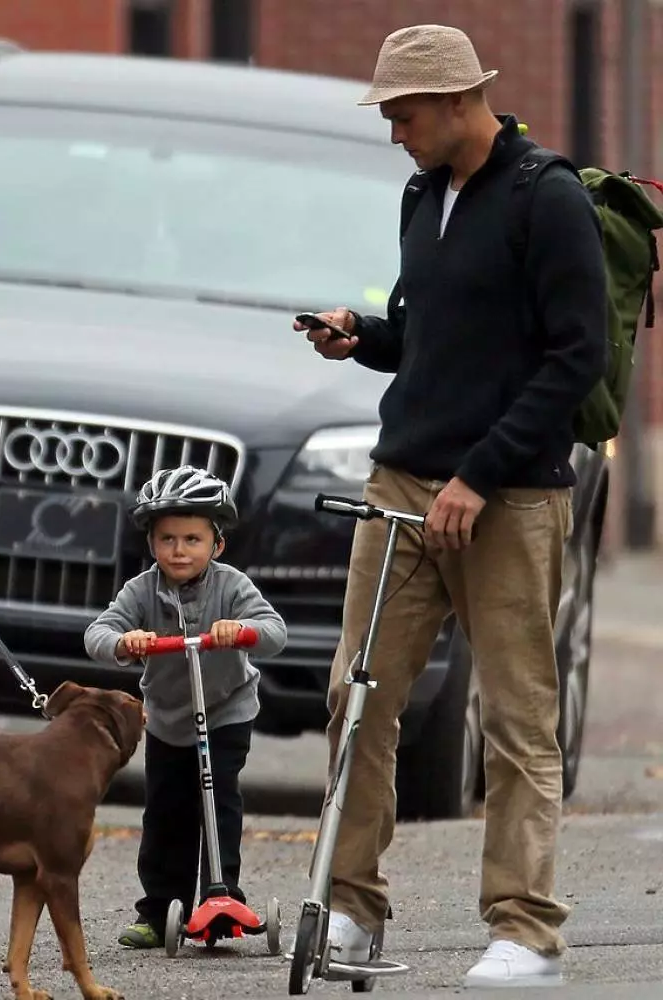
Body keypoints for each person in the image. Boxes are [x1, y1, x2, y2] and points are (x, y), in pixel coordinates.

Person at [294, 24, 606, 989]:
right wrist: (368, 337)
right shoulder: (424, 192)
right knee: (358, 697)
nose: (393, 131)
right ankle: (350, 910)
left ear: (460, 102)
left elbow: (574, 358)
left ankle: (526, 927)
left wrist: (480, 473)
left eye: (404, 113)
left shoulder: (543, 198)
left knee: (516, 716)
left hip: (506, 496)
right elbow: (439, 338)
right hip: (401, 481)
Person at [84, 466, 287, 949]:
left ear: (216, 544)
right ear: (152, 543)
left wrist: (240, 631)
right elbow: (97, 633)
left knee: (219, 804)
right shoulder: (141, 590)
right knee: (166, 813)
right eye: (168, 539)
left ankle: (221, 897)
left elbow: (274, 630)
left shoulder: (231, 585)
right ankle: (158, 912)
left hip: (225, 711)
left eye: (192, 539)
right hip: (170, 720)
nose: (179, 550)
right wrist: (125, 641)